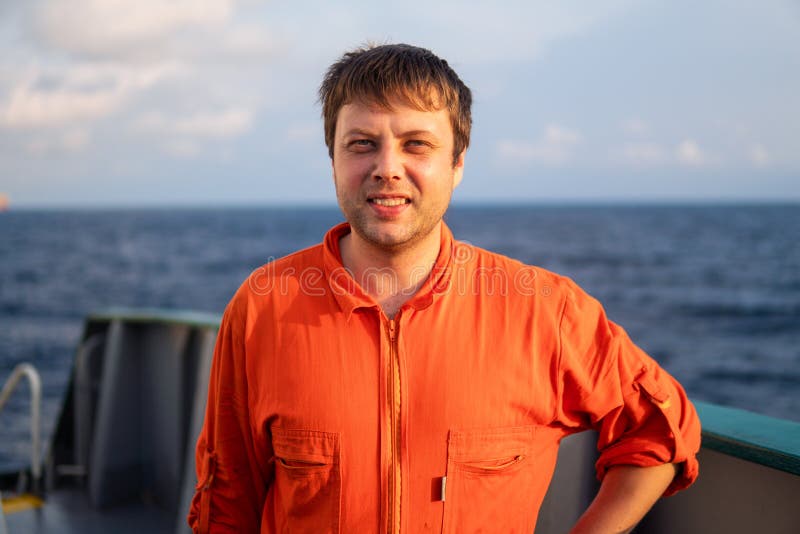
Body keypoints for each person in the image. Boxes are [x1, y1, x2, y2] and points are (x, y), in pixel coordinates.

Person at [188, 43, 701, 534]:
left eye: (416, 144)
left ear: (457, 163)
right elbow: (228, 501)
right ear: (334, 161)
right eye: (362, 144)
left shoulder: (545, 311)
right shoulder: (263, 307)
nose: (387, 168)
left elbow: (660, 427)